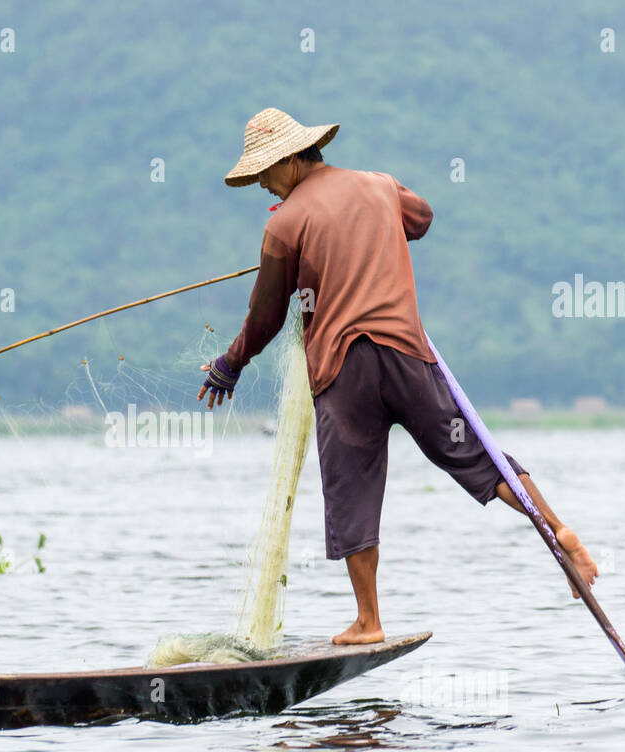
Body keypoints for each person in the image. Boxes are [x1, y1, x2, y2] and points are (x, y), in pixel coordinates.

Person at [199, 108, 599, 645]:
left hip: (344, 375)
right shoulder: (379, 185)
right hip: (407, 355)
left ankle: (369, 621)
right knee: (475, 453)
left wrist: (229, 365)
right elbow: (423, 217)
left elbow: (265, 317)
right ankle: (556, 529)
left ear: (293, 161)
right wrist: (375, 227)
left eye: (266, 173)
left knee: (352, 489)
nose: (263, 185)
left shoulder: (284, 225)